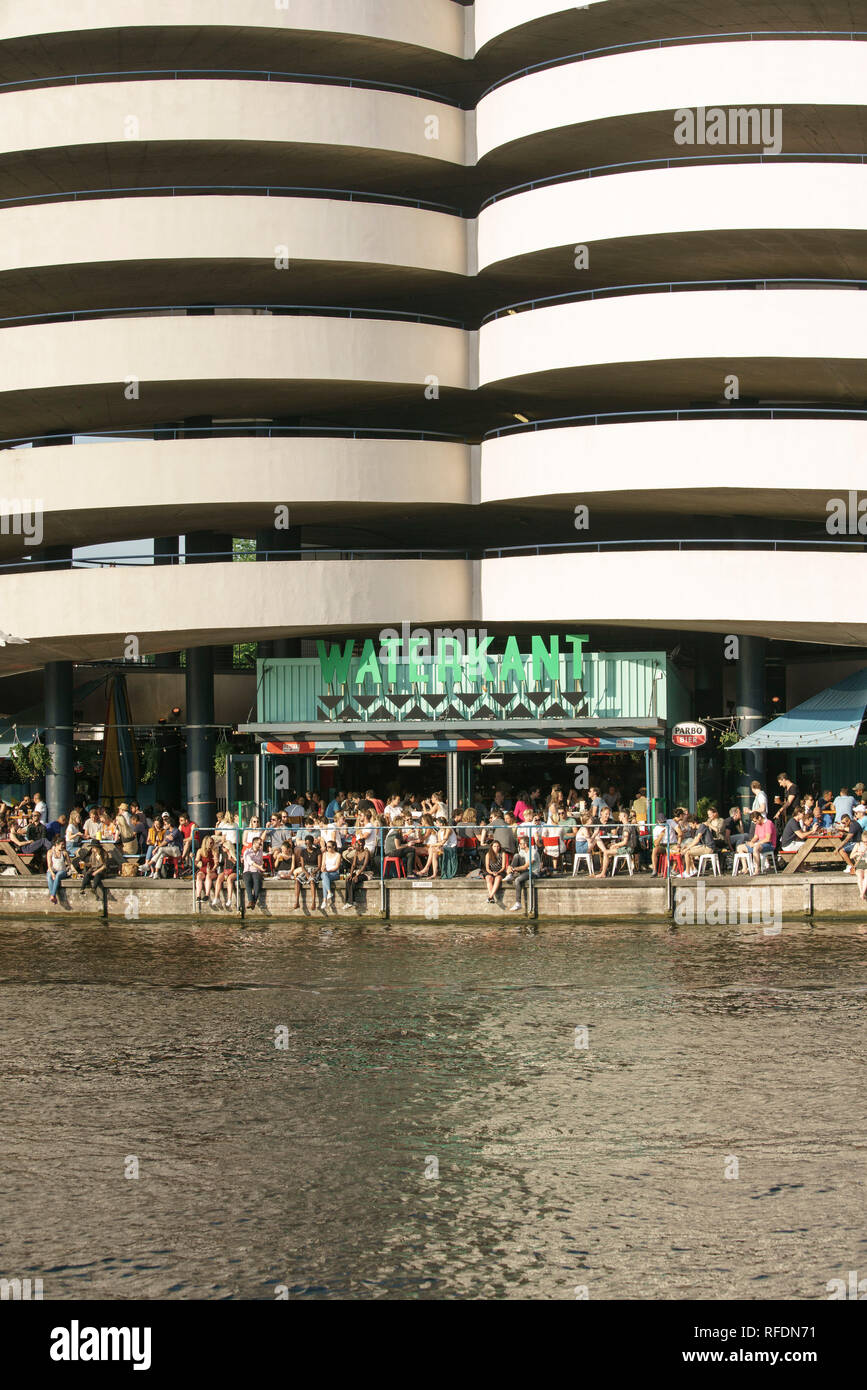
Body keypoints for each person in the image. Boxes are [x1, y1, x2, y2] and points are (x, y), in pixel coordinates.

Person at [509, 833, 539, 912]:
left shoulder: (533, 852)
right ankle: (510, 874)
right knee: (516, 855)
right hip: (525, 871)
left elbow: (526, 866)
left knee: (517, 880)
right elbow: (517, 861)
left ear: (525, 844)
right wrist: (510, 868)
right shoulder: (522, 851)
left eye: (521, 843)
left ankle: (518, 903)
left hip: (533, 872)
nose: (519, 845)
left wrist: (515, 869)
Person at [342, 838, 370, 909]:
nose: (354, 846)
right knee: (348, 879)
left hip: (366, 872)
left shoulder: (366, 852)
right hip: (357, 871)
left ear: (361, 846)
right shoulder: (356, 852)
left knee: (355, 880)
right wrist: (351, 874)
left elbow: (364, 865)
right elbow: (353, 865)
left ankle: (351, 901)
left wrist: (356, 875)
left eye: (356, 845)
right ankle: (349, 902)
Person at [45, 835, 71, 904]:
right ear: (57, 844)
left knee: (58, 876)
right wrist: (52, 873)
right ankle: (53, 896)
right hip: (52, 870)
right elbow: (49, 865)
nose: (63, 846)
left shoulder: (64, 852)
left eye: (64, 844)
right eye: (62, 845)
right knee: (49, 876)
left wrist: (76, 872)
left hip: (61, 870)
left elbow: (69, 864)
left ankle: (52, 895)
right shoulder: (50, 852)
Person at [242, 837, 266, 910]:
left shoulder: (260, 851)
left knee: (257, 882)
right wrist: (260, 867)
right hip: (248, 870)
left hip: (256, 870)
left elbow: (261, 861)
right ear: (254, 843)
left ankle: (253, 901)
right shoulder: (247, 852)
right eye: (259, 843)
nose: (260, 845)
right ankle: (250, 900)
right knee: (248, 881)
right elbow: (251, 862)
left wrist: (261, 866)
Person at [194, 837, 217, 905]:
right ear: (206, 843)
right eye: (210, 843)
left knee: (208, 876)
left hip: (212, 870)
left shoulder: (214, 851)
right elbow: (196, 861)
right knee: (199, 876)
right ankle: (198, 896)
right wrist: (193, 859)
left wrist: (211, 870)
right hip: (203, 869)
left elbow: (216, 864)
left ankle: (207, 895)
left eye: (212, 843)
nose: (211, 844)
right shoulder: (200, 851)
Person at [320, 840, 343, 906]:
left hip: (334, 873)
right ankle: (329, 893)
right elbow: (322, 865)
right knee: (324, 876)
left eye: (329, 847)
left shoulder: (338, 855)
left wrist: (328, 871)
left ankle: (324, 901)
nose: (327, 848)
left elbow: (336, 867)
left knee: (324, 879)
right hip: (326, 873)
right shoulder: (325, 854)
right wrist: (323, 869)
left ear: (334, 847)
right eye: (326, 847)